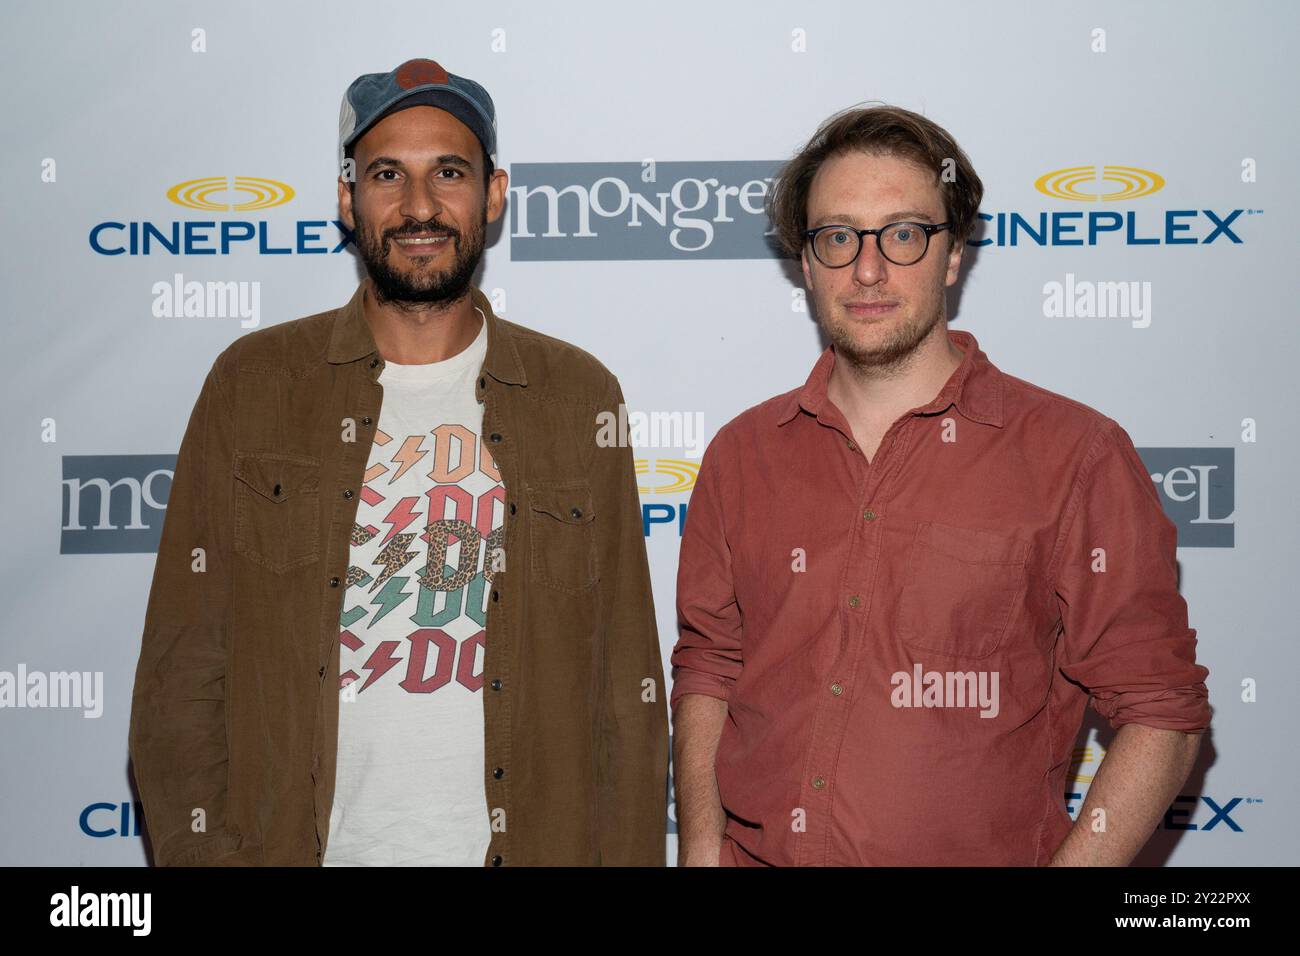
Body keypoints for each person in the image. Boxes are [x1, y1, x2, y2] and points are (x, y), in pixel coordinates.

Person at [128, 58, 667, 867]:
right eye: (388, 175)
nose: (420, 206)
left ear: (494, 194)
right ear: (348, 199)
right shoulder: (254, 386)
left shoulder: (577, 395)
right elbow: (181, 675)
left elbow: (626, 699)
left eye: (449, 172)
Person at [670, 104, 1210, 867]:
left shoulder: (1073, 457)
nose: (867, 269)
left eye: (903, 234)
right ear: (806, 262)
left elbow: (1163, 712)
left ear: (953, 253)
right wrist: (699, 847)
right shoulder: (743, 454)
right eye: (837, 237)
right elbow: (711, 665)